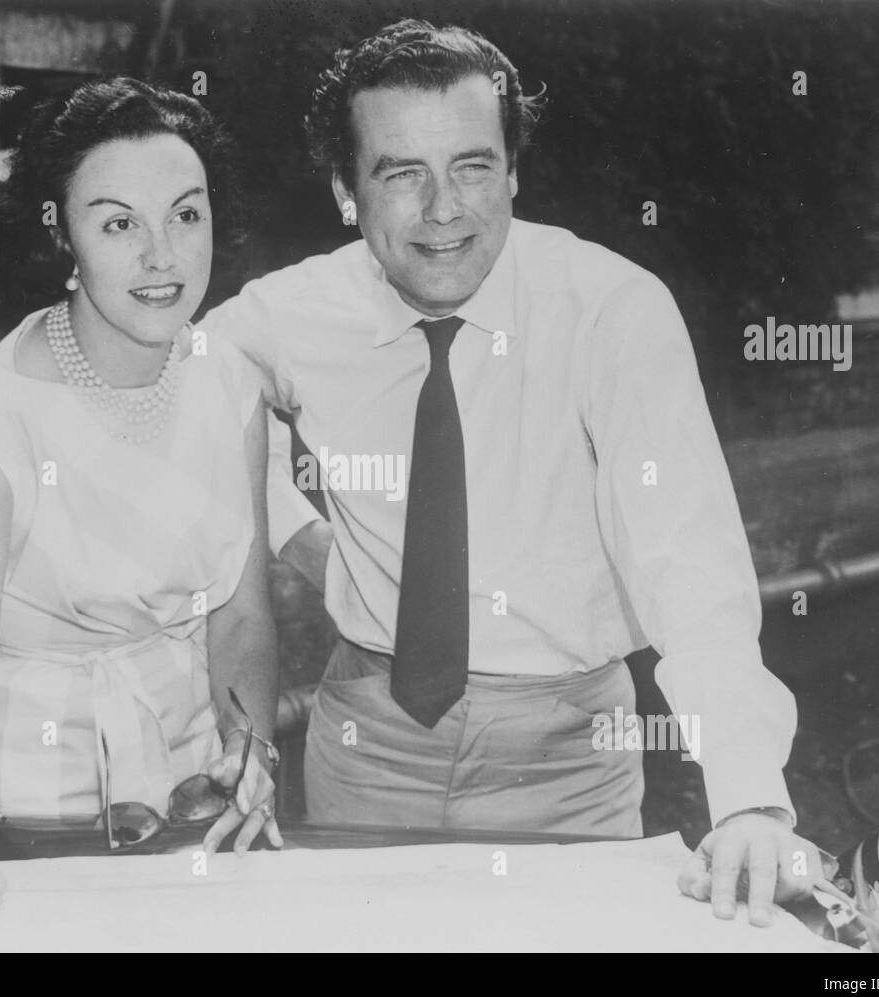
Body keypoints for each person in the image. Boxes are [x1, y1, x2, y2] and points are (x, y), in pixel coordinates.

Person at [209, 19, 824, 925]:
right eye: (400, 172)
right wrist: (310, 545)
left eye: (472, 165)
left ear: (513, 172)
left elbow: (685, 561)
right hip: (363, 746)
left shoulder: (611, 311)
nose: (443, 207)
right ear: (347, 190)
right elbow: (173, 403)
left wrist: (750, 798)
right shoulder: (292, 313)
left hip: (567, 758)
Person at [0, 78, 282, 933]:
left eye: (186, 215)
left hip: (195, 807)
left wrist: (252, 750)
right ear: (61, 232)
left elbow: (242, 611)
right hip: (27, 831)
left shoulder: (230, 380)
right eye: (119, 222)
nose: (163, 256)